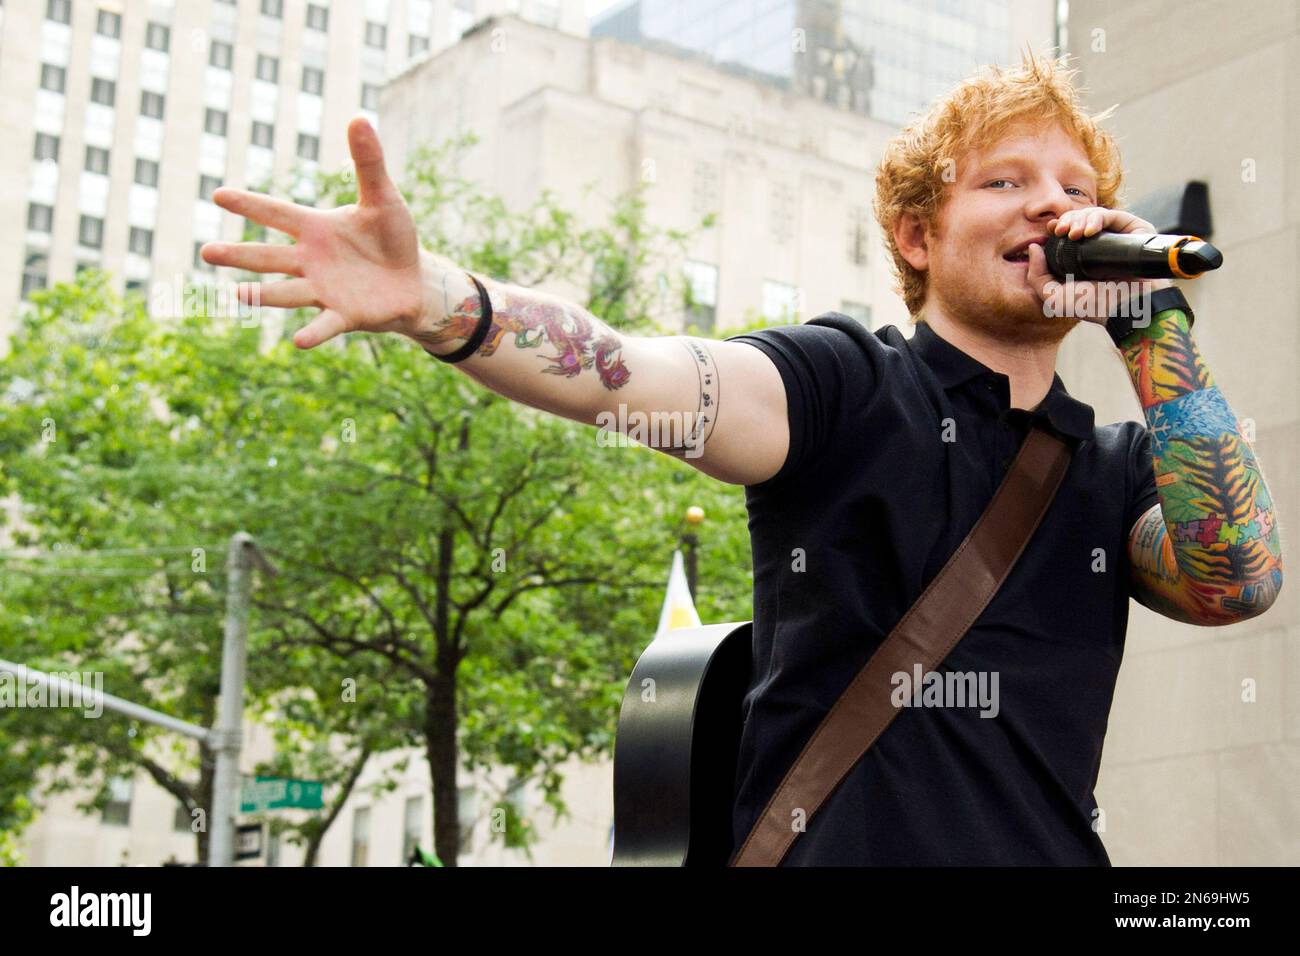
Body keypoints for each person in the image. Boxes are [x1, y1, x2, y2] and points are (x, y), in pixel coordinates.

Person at [200, 51, 1284, 865]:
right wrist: (438, 302)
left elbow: (1238, 577)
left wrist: (1151, 325)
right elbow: (624, 374)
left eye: (1075, 188)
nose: (1052, 205)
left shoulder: (1113, 470)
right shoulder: (848, 385)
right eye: (1003, 181)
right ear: (916, 235)